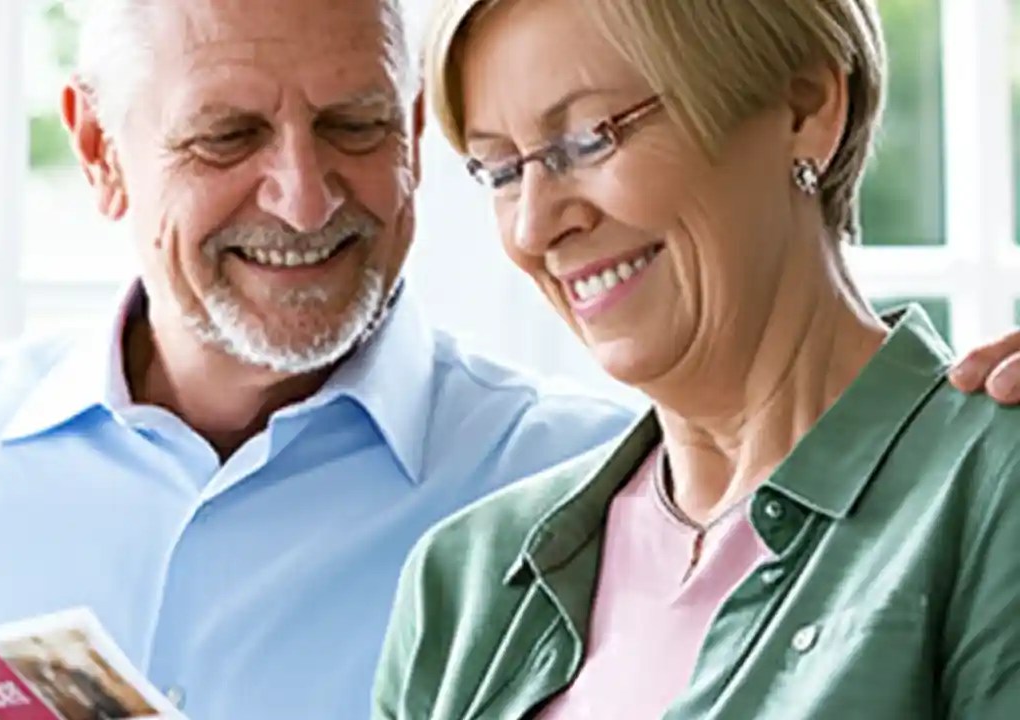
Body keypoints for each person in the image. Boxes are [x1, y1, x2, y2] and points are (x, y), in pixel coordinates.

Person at [0, 1, 1017, 719]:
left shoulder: (550, 487)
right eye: (503, 168)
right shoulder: (484, 576)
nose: (301, 199)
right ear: (98, 153)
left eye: (355, 126)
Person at [372, 0, 1020, 718]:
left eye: (591, 138)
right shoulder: (462, 584)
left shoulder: (992, 488)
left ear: (805, 108)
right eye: (500, 171)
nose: (535, 224)